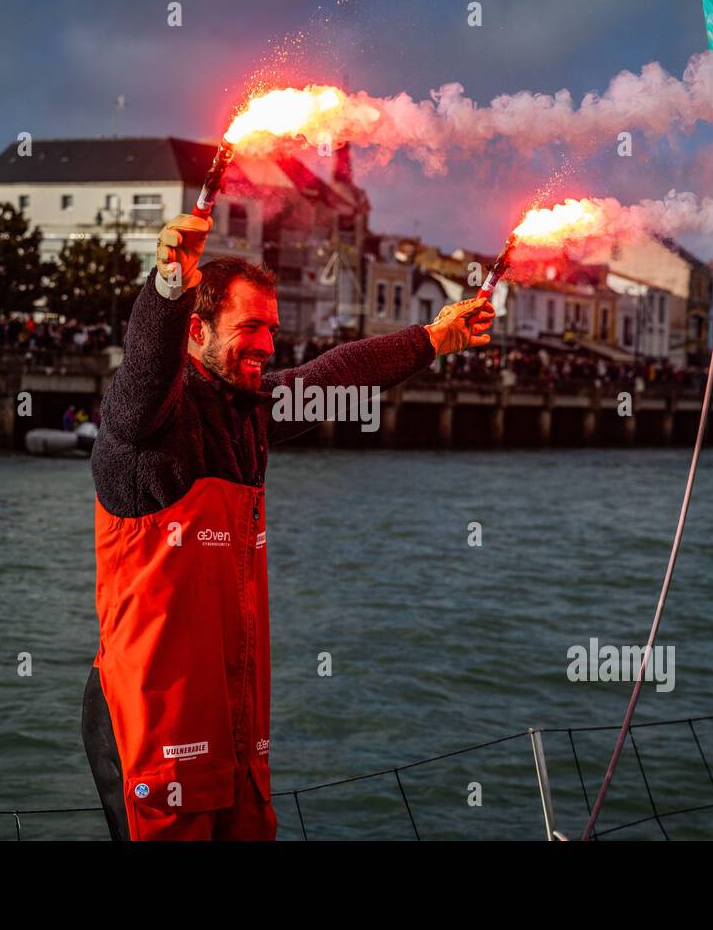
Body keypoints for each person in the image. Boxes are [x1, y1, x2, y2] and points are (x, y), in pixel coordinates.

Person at [82, 213, 493, 841]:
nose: (268, 346)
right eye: (249, 327)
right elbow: (144, 369)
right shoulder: (143, 427)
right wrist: (168, 286)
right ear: (195, 330)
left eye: (272, 329)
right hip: (150, 719)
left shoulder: (248, 414)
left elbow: (335, 375)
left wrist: (435, 338)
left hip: (231, 719)